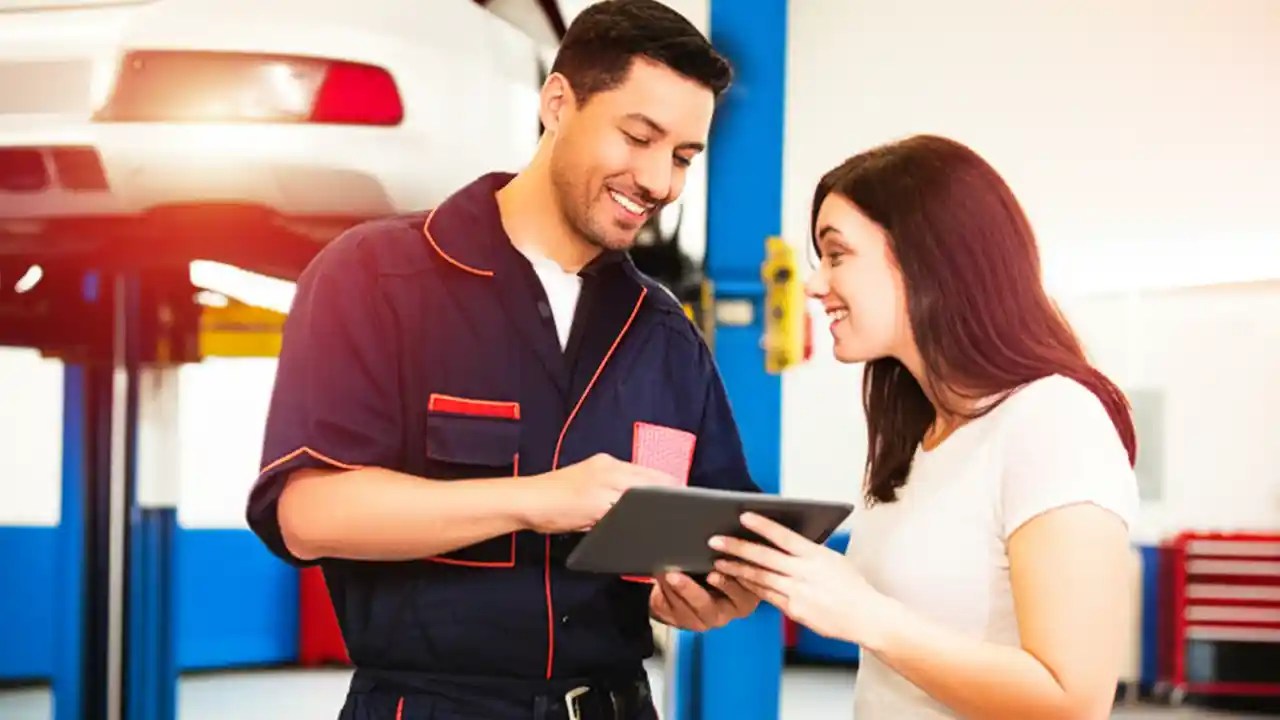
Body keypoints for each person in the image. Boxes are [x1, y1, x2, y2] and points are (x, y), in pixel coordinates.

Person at [244, 2, 762, 718]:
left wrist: (703, 599)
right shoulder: (375, 278)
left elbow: (707, 537)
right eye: (638, 137)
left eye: (681, 157)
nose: (658, 181)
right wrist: (536, 499)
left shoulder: (663, 334)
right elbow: (308, 511)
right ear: (558, 103)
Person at [708, 135, 1141, 719]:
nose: (813, 285)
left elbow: (1073, 701)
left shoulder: (1053, 421)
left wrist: (865, 615)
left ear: (925, 258)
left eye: (836, 255)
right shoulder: (923, 436)